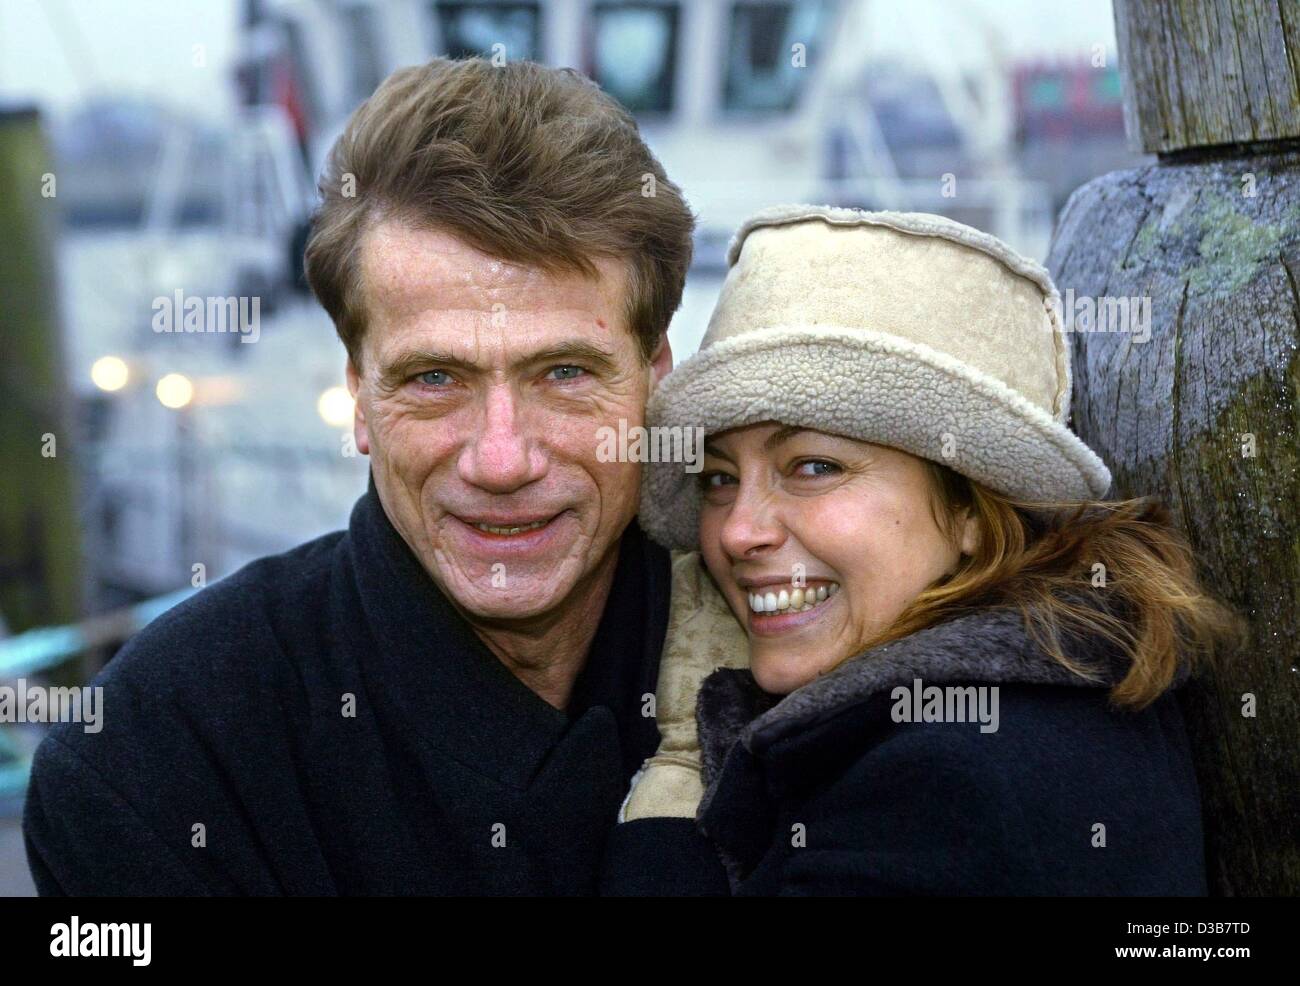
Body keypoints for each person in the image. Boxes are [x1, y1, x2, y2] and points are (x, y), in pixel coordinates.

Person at [23, 57, 695, 895]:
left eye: (565, 373)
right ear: (359, 397)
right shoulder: (153, 759)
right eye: (434, 378)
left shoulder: (789, 677)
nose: (501, 459)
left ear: (655, 377)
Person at [602, 205, 1242, 896]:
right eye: (719, 479)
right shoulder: (1063, 695)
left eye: (813, 466)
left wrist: (678, 773)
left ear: (972, 512)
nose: (736, 531)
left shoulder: (937, 787)